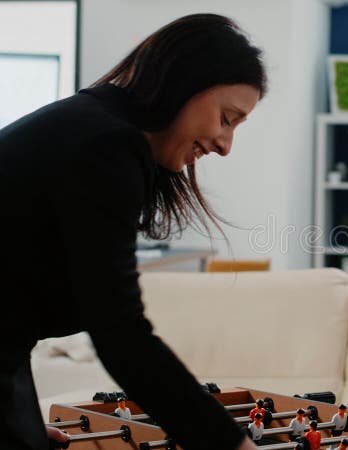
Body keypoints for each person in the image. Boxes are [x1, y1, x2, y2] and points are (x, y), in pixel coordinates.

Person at [0, 13, 266, 450]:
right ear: (186, 84)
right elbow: (121, 333)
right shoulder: (106, 147)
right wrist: (229, 444)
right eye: (226, 118)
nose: (224, 144)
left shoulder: (94, 125)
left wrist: (20, 420)